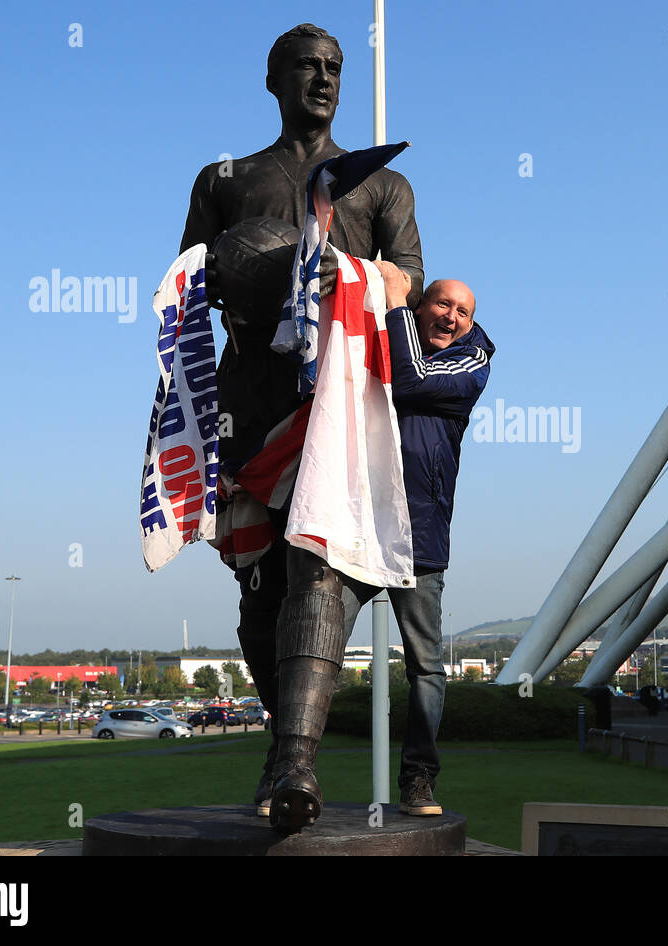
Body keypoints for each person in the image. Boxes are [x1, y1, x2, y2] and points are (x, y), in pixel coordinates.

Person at [176, 22, 423, 818]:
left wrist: (340, 275)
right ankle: (282, 746)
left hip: (338, 400)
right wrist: (242, 270)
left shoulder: (380, 184)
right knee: (260, 588)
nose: (323, 80)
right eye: (307, 68)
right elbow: (188, 280)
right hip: (248, 398)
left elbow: (407, 284)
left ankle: (296, 770)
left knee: (318, 565)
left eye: (334, 69)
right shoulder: (227, 178)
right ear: (275, 79)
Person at [267, 264, 494, 829]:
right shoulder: (387, 338)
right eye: (442, 304)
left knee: (426, 669)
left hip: (418, 542)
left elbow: (410, 379)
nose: (452, 316)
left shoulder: (469, 364)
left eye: (463, 312)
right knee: (310, 647)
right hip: (356, 531)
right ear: (424, 309)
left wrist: (393, 303)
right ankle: (288, 768)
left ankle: (418, 776)